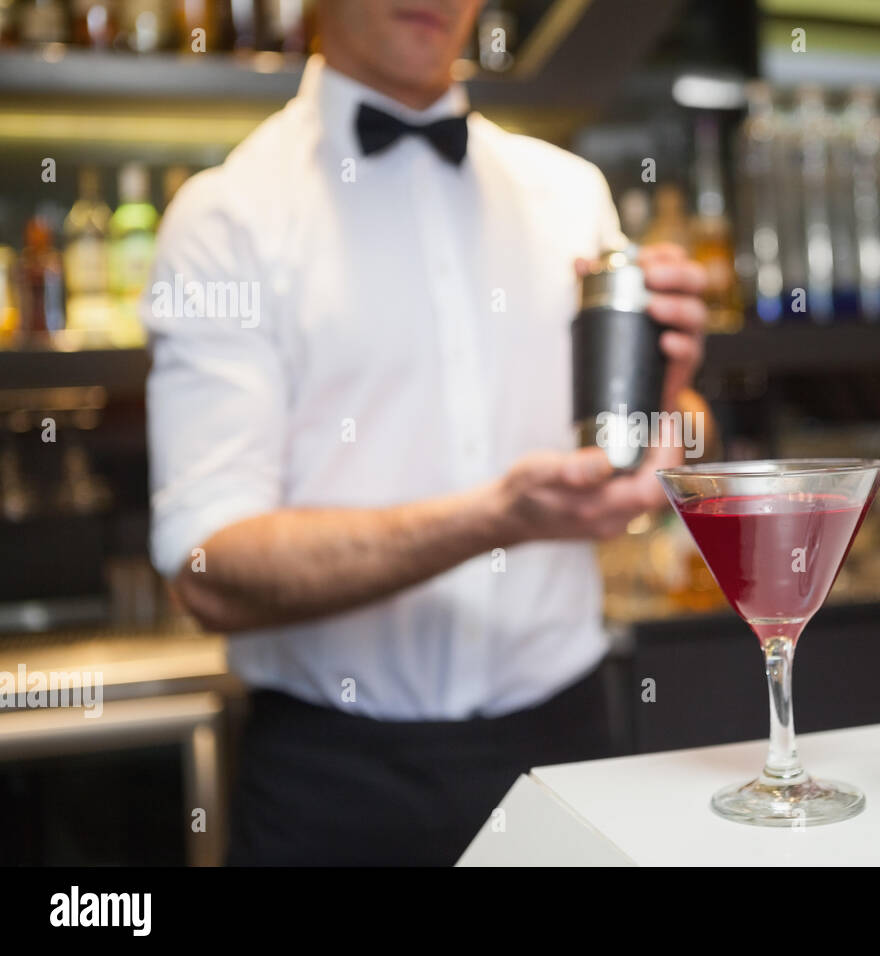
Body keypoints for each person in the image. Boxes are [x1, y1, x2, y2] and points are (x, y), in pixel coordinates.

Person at [144, 0, 709, 865]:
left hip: (568, 742)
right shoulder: (227, 220)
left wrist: (665, 398)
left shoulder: (570, 194)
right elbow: (208, 569)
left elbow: (658, 441)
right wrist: (495, 517)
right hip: (335, 781)